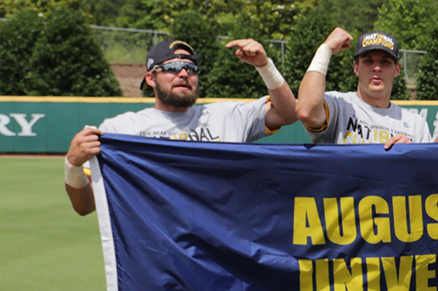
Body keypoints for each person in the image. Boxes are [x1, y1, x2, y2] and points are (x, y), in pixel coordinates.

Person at [63, 38, 298, 217]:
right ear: (151, 78)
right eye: (173, 67)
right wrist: (72, 166)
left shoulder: (226, 115)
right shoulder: (120, 129)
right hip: (160, 263)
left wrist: (264, 66)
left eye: (191, 68)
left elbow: (287, 113)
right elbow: (85, 207)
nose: (185, 73)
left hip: (225, 255)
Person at [295, 29, 431, 146]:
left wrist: (411, 154)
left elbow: (427, 172)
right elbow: (306, 111)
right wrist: (325, 50)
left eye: (385, 62)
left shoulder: (415, 124)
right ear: (356, 68)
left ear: (397, 69)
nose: (377, 68)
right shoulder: (338, 105)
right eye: (368, 61)